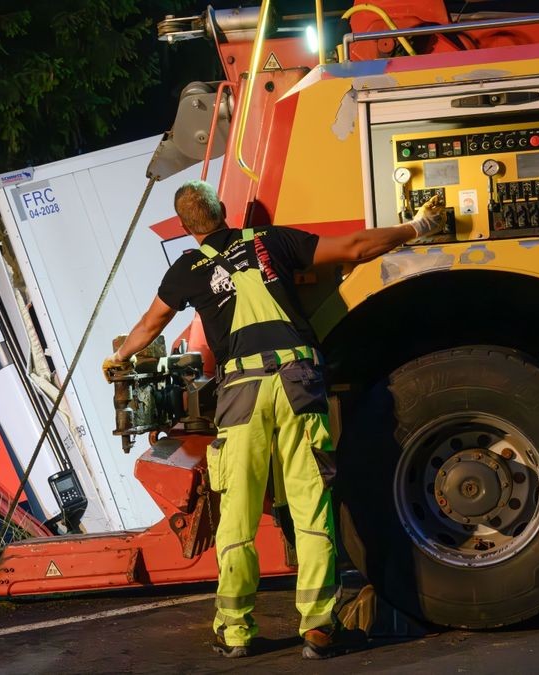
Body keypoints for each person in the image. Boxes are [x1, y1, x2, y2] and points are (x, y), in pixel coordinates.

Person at [102, 181, 445, 660]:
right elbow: (354, 247)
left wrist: (119, 356)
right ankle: (320, 628)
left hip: (241, 390)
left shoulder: (186, 270)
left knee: (237, 512)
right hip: (297, 380)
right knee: (309, 503)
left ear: (185, 228)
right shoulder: (270, 240)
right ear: (223, 211)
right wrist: (418, 227)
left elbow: (149, 324)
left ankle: (235, 631)